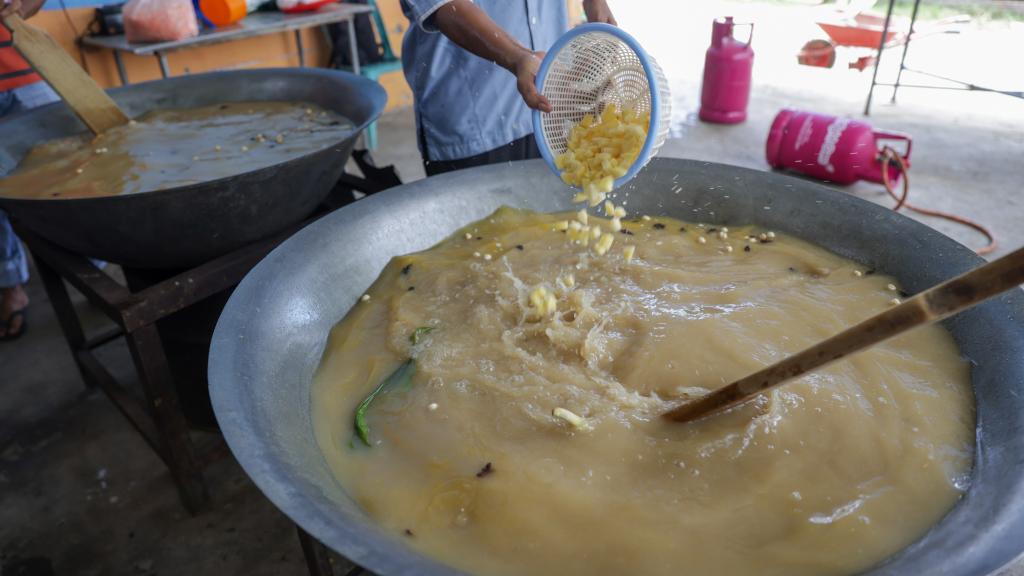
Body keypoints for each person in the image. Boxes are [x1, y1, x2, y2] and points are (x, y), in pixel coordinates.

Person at [399, 0, 616, 176]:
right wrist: (517, 57)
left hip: (551, 110)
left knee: (556, 220)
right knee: (482, 226)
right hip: (476, 122)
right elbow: (446, 6)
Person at [0, 0, 57, 340]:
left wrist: (20, 3)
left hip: (27, 69)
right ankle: (10, 287)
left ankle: (97, 262)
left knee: (76, 168)